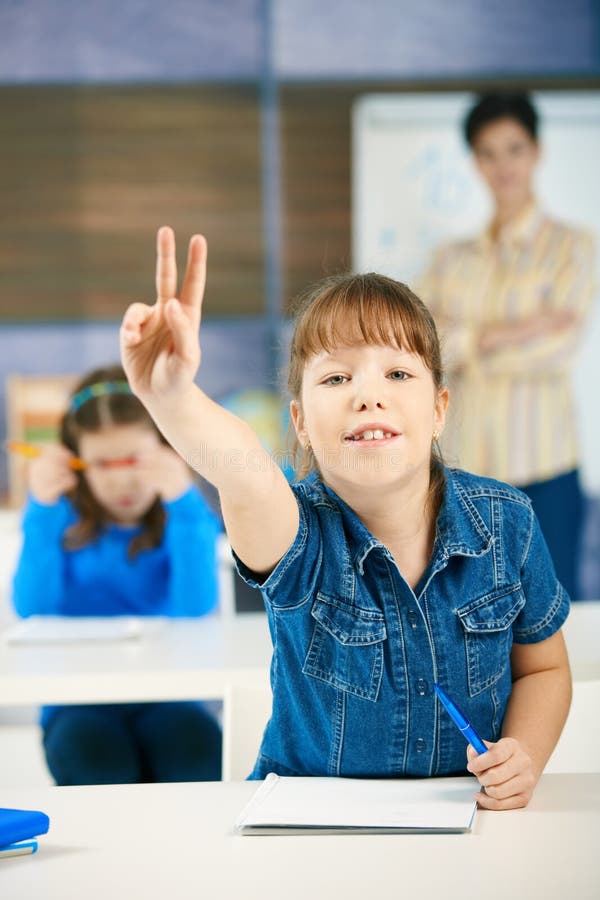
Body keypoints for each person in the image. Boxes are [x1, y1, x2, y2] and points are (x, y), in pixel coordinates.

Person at [120, 226, 572, 810]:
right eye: (337, 378)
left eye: (398, 374)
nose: (368, 394)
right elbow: (242, 470)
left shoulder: (507, 522)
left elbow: (544, 669)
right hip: (309, 832)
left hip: (467, 826)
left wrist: (522, 754)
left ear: (438, 410)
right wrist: (172, 398)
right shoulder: (295, 530)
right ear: (302, 422)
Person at [417, 92, 596, 601]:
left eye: (514, 149)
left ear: (536, 152)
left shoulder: (574, 246)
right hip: (468, 472)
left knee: (554, 618)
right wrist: (517, 328)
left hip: (547, 466)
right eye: (488, 153)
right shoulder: (451, 260)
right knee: (472, 619)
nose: (503, 165)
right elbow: (426, 348)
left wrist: (466, 343)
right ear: (475, 161)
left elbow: (557, 349)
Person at [12, 364, 223, 785]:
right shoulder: (60, 517)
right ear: (75, 461)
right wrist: (41, 510)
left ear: (166, 450)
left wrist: (184, 503)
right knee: (96, 766)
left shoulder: (181, 518)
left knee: (197, 758)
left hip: (170, 694)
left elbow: (197, 604)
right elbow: (32, 608)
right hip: (77, 701)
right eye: (102, 463)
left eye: (136, 460)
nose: (121, 478)